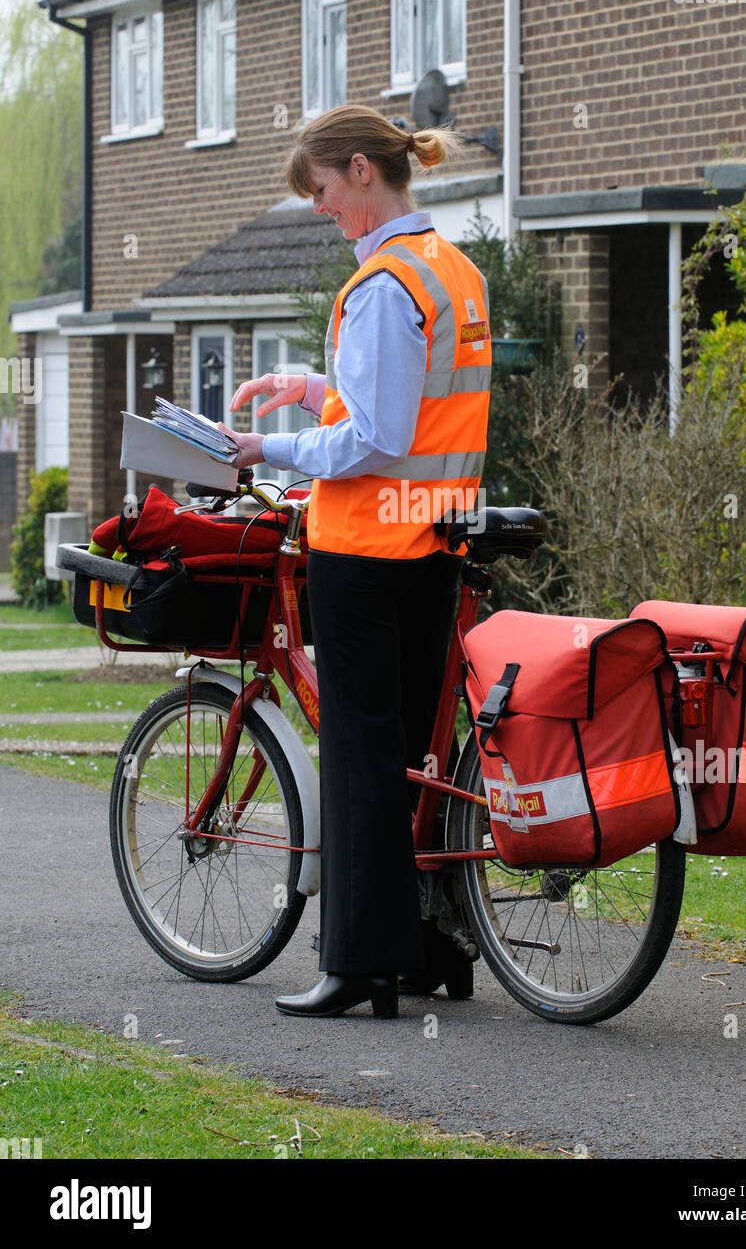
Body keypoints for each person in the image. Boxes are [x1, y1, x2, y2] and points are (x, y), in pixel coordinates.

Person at [218, 104, 492, 1018]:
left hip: (365, 550)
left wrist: (271, 448)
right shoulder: (451, 272)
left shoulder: (380, 285)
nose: (321, 208)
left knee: (359, 761)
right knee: (407, 756)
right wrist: (312, 388)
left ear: (363, 173)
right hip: (431, 545)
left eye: (324, 190)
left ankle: (358, 967)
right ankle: (420, 952)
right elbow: (414, 408)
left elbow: (371, 440)